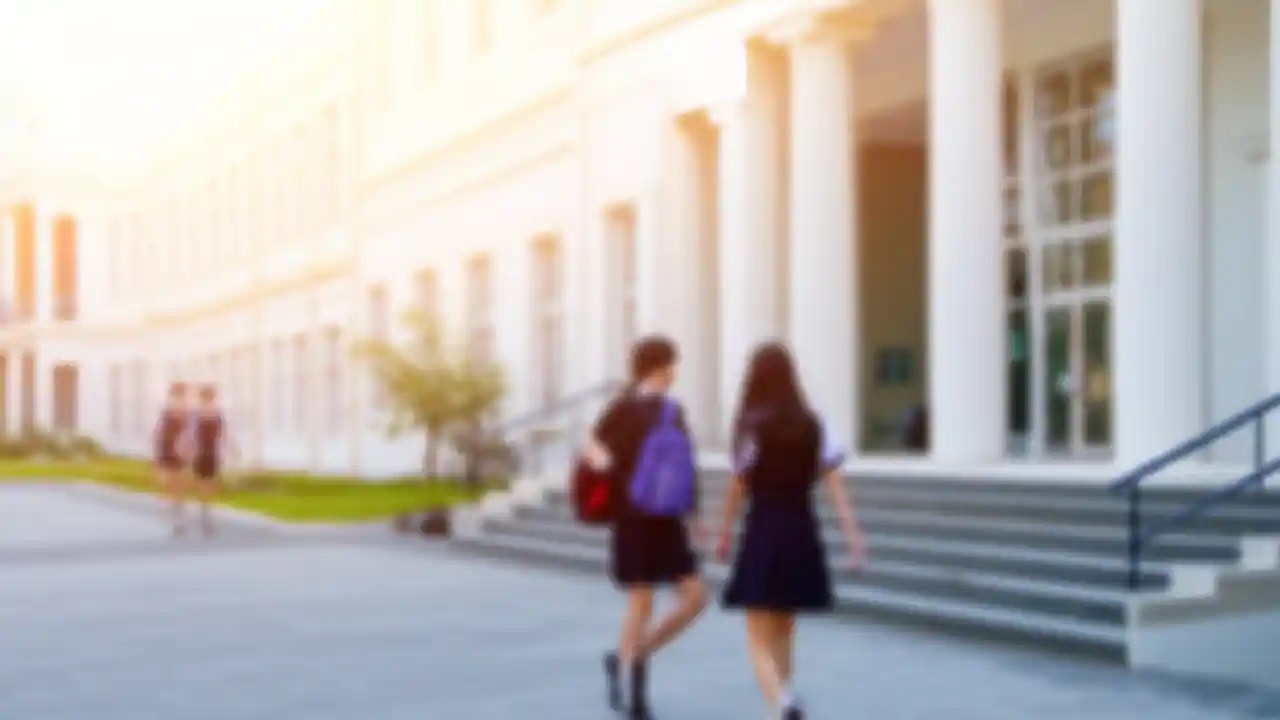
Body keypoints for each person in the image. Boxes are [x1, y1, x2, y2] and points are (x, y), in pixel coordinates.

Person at [715, 343, 866, 720]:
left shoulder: (751, 426)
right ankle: (780, 705)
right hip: (802, 527)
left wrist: (725, 530)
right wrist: (852, 535)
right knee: (785, 625)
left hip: (764, 526)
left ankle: (783, 703)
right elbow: (835, 485)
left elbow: (738, 484)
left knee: (756, 631)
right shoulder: (815, 424)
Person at [586, 336, 708, 720]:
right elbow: (592, 444)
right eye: (672, 364)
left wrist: (694, 516)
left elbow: (687, 466)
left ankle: (628, 656)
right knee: (642, 601)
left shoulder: (674, 410)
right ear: (658, 368)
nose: (675, 371)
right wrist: (604, 459)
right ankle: (637, 691)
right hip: (634, 515)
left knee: (695, 598)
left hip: (668, 518)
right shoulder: (623, 407)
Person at [190, 384, 235, 537]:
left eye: (210, 397)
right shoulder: (195, 414)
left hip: (213, 452)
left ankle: (206, 511)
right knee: (202, 483)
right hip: (200, 452)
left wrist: (231, 448)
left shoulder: (218, 414)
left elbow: (225, 433)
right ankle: (204, 513)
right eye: (207, 396)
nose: (209, 399)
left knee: (212, 484)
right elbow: (190, 433)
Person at [154, 382, 192, 537]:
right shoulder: (167, 411)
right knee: (170, 484)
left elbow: (192, 432)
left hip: (179, 451)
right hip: (167, 449)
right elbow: (159, 432)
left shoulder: (188, 412)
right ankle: (175, 516)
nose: (178, 397)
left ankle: (178, 518)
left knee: (177, 485)